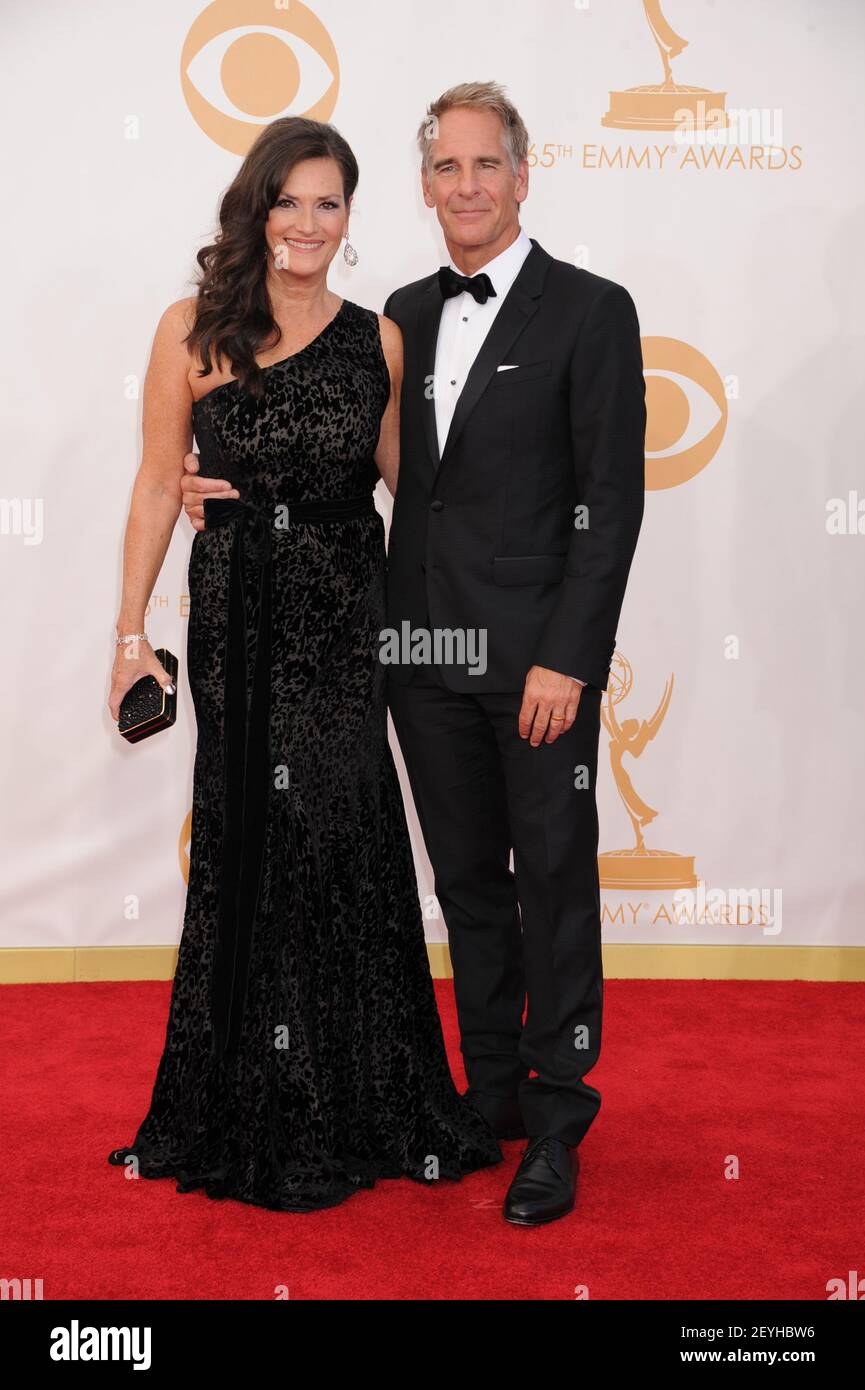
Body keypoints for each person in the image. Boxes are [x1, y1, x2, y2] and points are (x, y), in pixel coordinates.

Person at [181, 82, 646, 1226]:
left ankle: (557, 1120)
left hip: (535, 664)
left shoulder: (591, 310)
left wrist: (568, 659)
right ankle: (488, 1094)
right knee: (466, 885)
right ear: (425, 185)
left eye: (487, 165)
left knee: (553, 882)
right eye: (446, 167)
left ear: (523, 176)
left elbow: (609, 504)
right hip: (417, 651)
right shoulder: (398, 316)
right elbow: (369, 469)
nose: (467, 186)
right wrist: (223, 481)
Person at [106, 116, 502, 1213]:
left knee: (342, 836)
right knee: (253, 836)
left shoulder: (379, 341)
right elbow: (157, 484)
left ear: (350, 216)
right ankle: (255, 1102)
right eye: (288, 201)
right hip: (239, 622)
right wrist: (130, 638)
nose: (307, 223)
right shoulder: (192, 330)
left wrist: (482, 610)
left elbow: (413, 497)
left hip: (343, 627)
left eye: (328, 203)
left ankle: (360, 1097)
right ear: (257, 208)